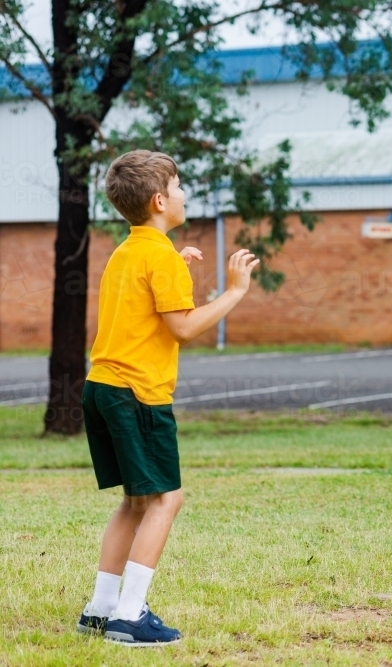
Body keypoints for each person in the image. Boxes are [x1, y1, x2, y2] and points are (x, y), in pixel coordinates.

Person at [77, 150, 260, 644]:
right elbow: (181, 328)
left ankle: (101, 607)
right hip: (139, 395)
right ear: (160, 200)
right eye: (179, 187)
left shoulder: (128, 251)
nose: (184, 194)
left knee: (135, 502)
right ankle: (129, 615)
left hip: (102, 388)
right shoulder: (159, 257)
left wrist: (174, 264)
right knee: (166, 500)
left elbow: (141, 299)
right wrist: (235, 291)